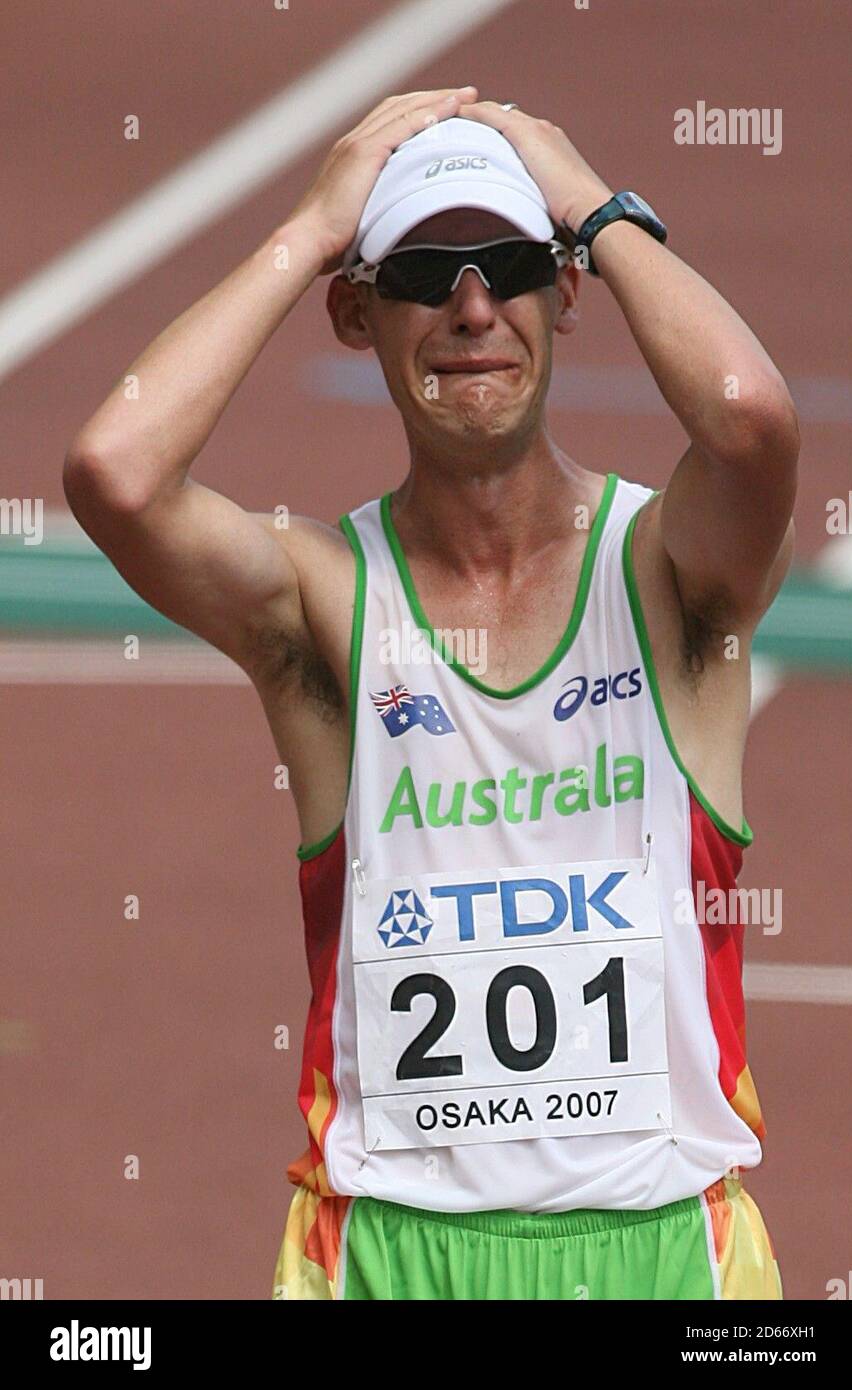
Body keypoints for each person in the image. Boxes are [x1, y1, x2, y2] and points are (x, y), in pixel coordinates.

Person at [64, 87, 798, 1301]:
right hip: (385, 1254)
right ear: (357, 311)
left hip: (670, 1253)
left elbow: (746, 415)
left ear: (565, 291)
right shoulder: (325, 602)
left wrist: (592, 210)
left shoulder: (666, 577)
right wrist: (307, 231)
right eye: (423, 273)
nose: (472, 309)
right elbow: (116, 471)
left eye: (508, 264)